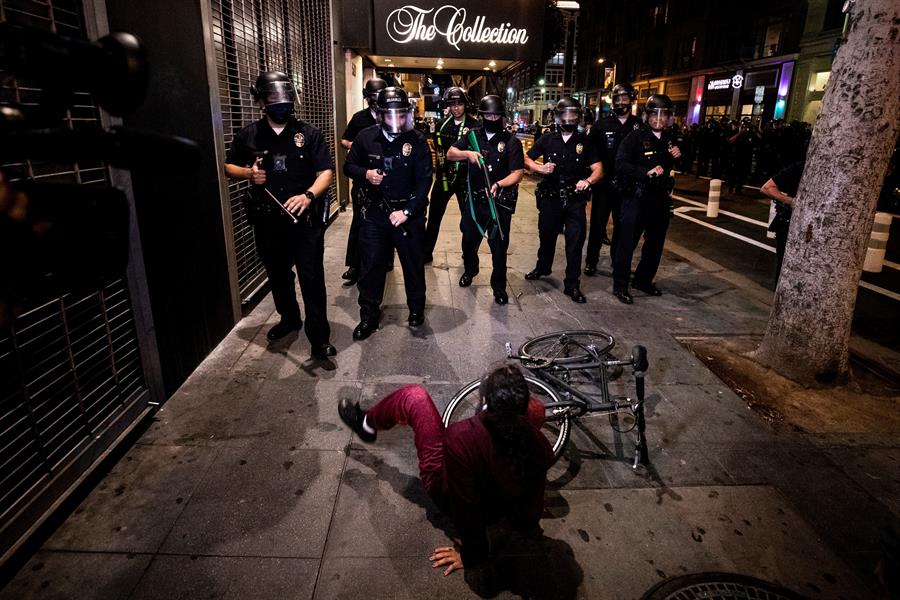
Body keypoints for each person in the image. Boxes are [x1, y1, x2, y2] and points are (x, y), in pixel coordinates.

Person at [337, 364, 553, 574]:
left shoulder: (461, 438)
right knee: (538, 411)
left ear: (486, 401)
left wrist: (472, 554)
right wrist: (521, 525)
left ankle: (366, 423)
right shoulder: (538, 443)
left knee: (414, 397)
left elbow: (464, 505)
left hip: (452, 491)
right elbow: (533, 499)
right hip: (502, 504)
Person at [223, 71, 336, 358]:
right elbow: (228, 167)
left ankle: (319, 338)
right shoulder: (249, 134)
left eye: (286, 102)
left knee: (312, 278)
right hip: (267, 221)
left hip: (304, 221)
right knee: (278, 275)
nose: (282, 107)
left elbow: (326, 172)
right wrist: (249, 173)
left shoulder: (309, 134)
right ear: (262, 103)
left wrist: (309, 195)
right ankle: (288, 319)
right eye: (275, 102)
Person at [343, 86, 432, 340]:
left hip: (408, 215)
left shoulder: (417, 140)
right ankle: (368, 315)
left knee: (413, 266)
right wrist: (365, 174)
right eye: (391, 115)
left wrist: (407, 211)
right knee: (371, 266)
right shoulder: (365, 137)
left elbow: (424, 181)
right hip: (375, 214)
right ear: (380, 114)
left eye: (402, 114)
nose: (397, 120)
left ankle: (416, 310)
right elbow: (348, 166)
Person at [447, 95, 525, 305]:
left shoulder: (511, 141)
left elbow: (518, 173)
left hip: (499, 202)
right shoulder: (472, 135)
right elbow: (450, 153)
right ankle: (470, 270)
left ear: (501, 116)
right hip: (474, 202)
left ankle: (498, 286)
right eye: (488, 114)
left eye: (496, 114)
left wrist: (499, 184)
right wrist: (467, 154)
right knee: (468, 242)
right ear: (481, 115)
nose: (492, 117)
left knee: (499, 246)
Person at [524, 97, 603, 303]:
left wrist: (588, 181)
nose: (568, 119)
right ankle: (543, 268)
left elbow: (598, 169)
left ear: (578, 117)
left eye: (572, 115)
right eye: (564, 115)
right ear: (557, 117)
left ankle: (572, 284)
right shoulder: (547, 139)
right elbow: (526, 157)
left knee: (575, 243)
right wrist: (538, 168)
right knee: (546, 237)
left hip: (575, 201)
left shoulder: (585, 142)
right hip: (550, 198)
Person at [611, 94, 681, 304]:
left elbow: (672, 165)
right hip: (637, 196)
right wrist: (645, 172)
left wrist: (678, 155)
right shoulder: (635, 137)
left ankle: (643, 280)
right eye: (654, 114)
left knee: (656, 243)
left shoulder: (669, 139)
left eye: (663, 115)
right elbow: (620, 163)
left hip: (659, 198)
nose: (658, 119)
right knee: (627, 242)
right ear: (646, 116)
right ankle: (620, 285)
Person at [584, 83, 642, 277]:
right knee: (598, 225)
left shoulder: (638, 125)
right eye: (617, 98)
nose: (621, 102)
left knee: (622, 226)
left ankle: (617, 260)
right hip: (604, 185)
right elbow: (589, 150)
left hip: (627, 186)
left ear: (631, 99)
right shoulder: (602, 124)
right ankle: (591, 261)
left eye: (624, 98)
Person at [340, 78, 389, 286]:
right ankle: (355, 264)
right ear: (367, 97)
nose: (376, 101)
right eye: (373, 97)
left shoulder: (392, 116)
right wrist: (357, 144)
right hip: (363, 179)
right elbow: (344, 140)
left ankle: (385, 259)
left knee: (387, 222)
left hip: (386, 180)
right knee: (360, 223)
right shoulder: (359, 118)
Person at [423, 87, 478, 264]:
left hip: (466, 180)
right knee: (434, 218)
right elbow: (439, 152)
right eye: (452, 104)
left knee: (468, 221)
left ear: (465, 104)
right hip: (445, 179)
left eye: (460, 104)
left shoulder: (475, 125)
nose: (456, 108)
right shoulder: (441, 125)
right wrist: (440, 176)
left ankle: (468, 253)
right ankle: (426, 253)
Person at [760, 159, 805, 280]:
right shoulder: (802, 166)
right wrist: (791, 201)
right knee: (785, 266)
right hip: (789, 224)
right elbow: (766, 187)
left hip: (798, 226)